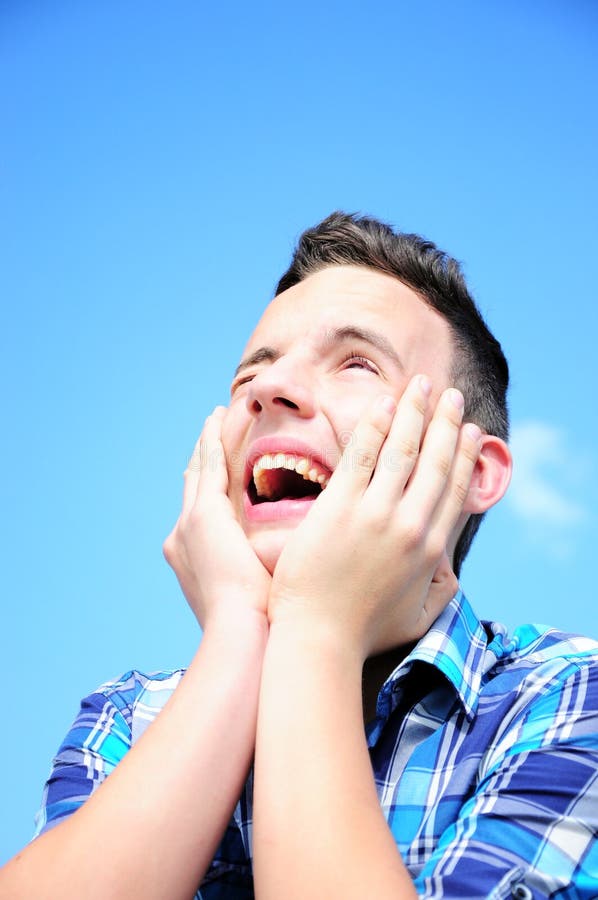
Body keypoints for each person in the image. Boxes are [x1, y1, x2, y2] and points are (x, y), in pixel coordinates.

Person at [2, 212, 597, 899]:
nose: (266, 391)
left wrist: (317, 629)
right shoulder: (129, 715)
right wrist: (235, 628)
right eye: (250, 377)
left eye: (356, 363)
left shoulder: (565, 698)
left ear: (472, 472)